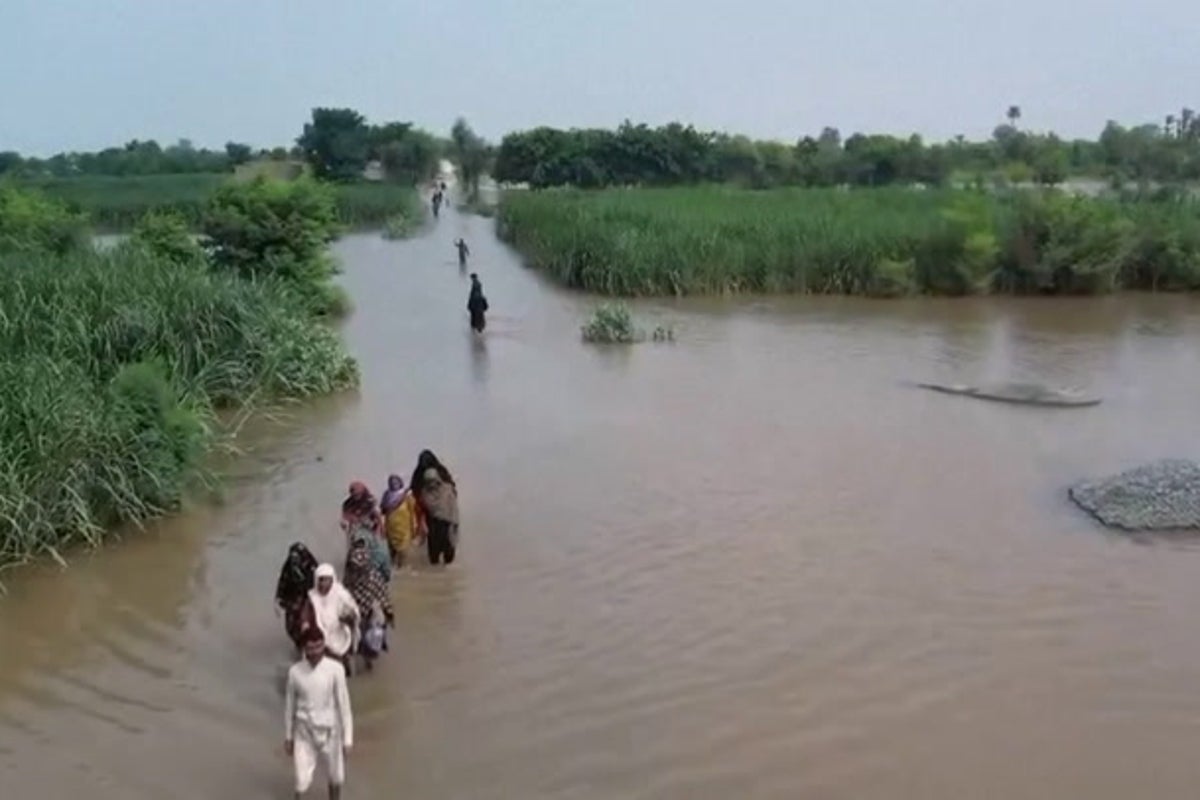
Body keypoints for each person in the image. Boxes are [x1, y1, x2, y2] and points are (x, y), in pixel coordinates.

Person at [284, 627, 353, 800]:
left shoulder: (336, 669)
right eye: (311, 648)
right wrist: (288, 736)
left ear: (324, 646)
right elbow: (289, 706)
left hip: (331, 731)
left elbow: (344, 706)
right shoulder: (295, 672)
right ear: (304, 649)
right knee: (301, 780)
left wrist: (348, 739)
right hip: (304, 731)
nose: (315, 652)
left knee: (336, 776)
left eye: (318, 647)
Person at [343, 537, 394, 672]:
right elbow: (344, 597)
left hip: (370, 612)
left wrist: (388, 613)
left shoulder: (374, 577)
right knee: (351, 642)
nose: (358, 571)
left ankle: (368, 662)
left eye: (361, 568)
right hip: (355, 615)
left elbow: (383, 596)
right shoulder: (349, 577)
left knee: (371, 641)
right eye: (355, 568)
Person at [301, 564, 360, 676]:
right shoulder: (312, 596)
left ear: (332, 580)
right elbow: (306, 613)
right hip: (321, 631)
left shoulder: (341, 594)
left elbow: (353, 611)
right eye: (320, 580)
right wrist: (305, 623)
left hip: (340, 631)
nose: (323, 583)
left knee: (345, 657)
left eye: (326, 580)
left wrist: (348, 617)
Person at [411, 450, 460, 565]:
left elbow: (452, 493)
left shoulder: (441, 477)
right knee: (436, 544)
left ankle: (442, 572)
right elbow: (416, 494)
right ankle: (439, 571)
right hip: (433, 517)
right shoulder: (423, 476)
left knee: (444, 544)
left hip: (444, 516)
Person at [276, 543, 319, 652]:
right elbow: (282, 582)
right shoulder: (288, 566)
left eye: (297, 556)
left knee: (309, 625)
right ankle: (299, 645)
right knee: (291, 627)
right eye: (292, 556)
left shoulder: (312, 567)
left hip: (309, 600)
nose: (294, 559)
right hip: (292, 600)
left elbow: (318, 584)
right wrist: (278, 598)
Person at [380, 474, 420, 567]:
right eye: (391, 482)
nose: (393, 484)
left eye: (396, 482)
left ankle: (403, 572)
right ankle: (394, 574)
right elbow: (382, 511)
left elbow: (413, 512)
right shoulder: (386, 495)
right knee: (391, 553)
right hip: (390, 528)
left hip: (404, 529)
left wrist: (414, 527)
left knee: (403, 552)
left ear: (400, 483)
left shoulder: (407, 496)